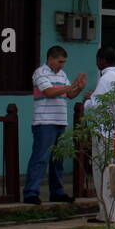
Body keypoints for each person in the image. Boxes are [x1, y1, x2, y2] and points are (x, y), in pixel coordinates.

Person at [23, 46, 86, 204]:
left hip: (59, 121)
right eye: (60, 62)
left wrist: (79, 87)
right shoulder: (40, 73)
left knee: (57, 159)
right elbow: (49, 92)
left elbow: (69, 95)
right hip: (44, 121)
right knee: (41, 158)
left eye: (64, 62)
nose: (62, 65)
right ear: (50, 59)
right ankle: (31, 192)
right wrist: (70, 86)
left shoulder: (62, 74)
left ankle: (57, 192)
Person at [82, 47, 115, 223]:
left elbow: (97, 106)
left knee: (102, 173)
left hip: (104, 131)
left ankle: (106, 214)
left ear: (101, 60)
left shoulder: (105, 78)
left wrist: (87, 100)